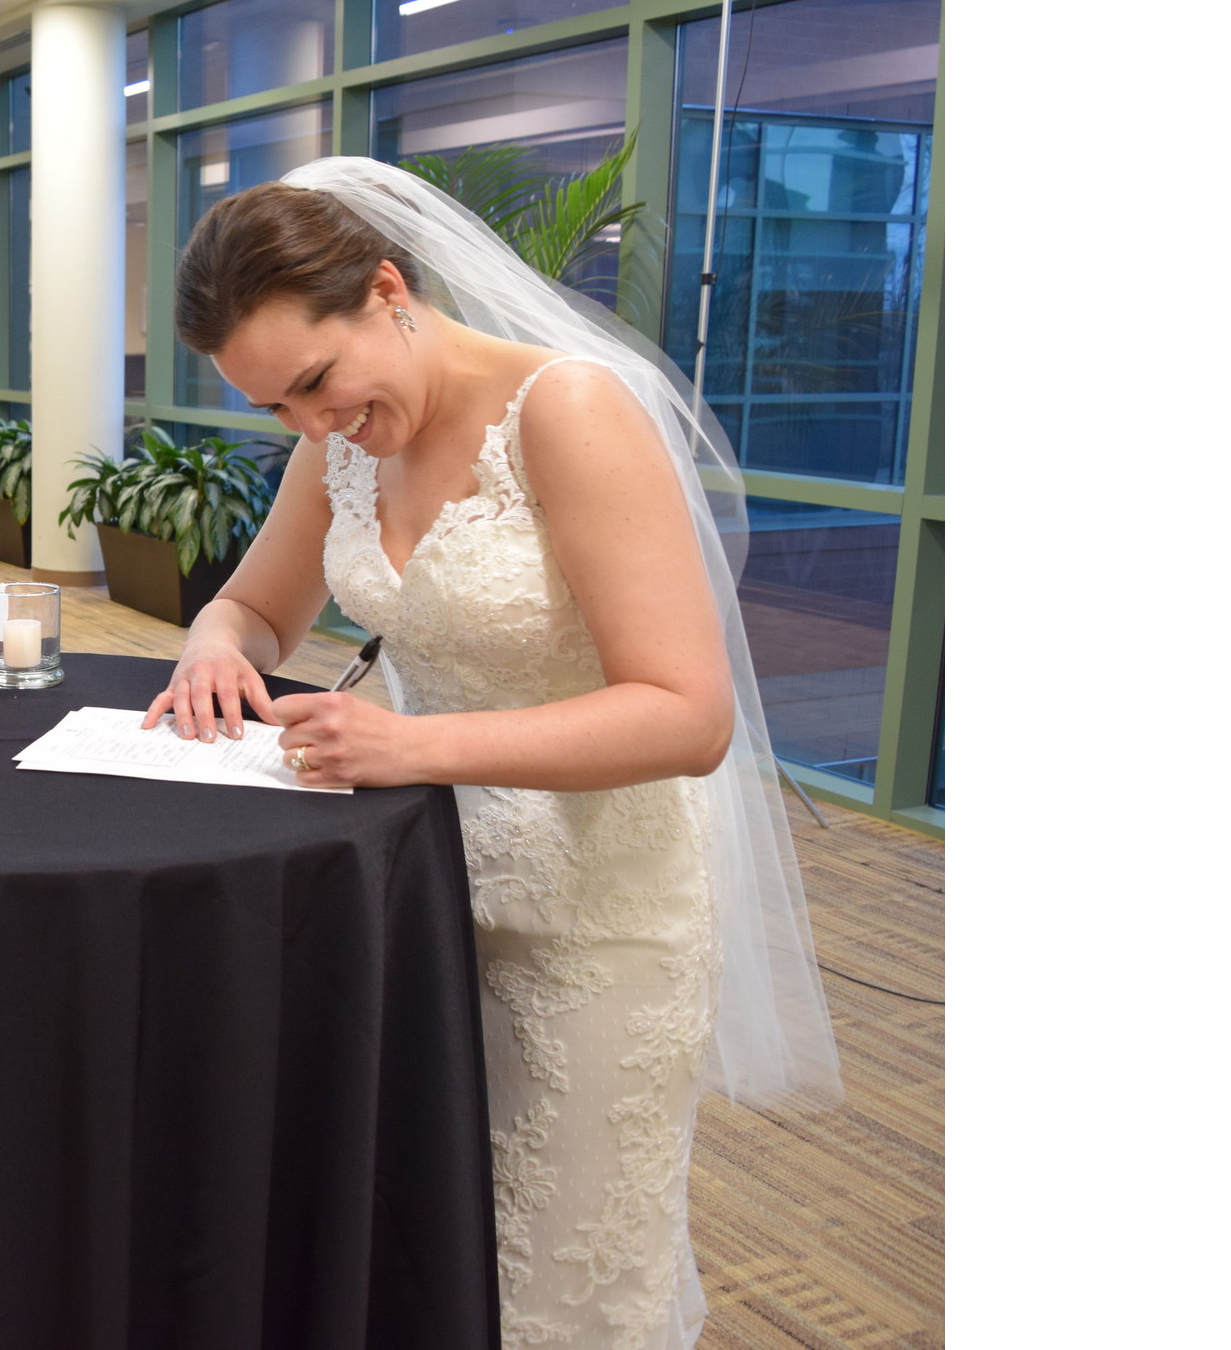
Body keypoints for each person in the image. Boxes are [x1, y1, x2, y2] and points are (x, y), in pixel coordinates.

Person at [142, 157, 842, 1349]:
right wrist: (215, 645)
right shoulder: (344, 438)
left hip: (597, 913)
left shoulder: (568, 411)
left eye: (315, 382)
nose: (311, 425)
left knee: (556, 1280)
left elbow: (687, 713)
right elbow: (256, 610)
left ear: (388, 288)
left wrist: (412, 745)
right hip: (418, 896)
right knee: (420, 1250)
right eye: (277, 410)